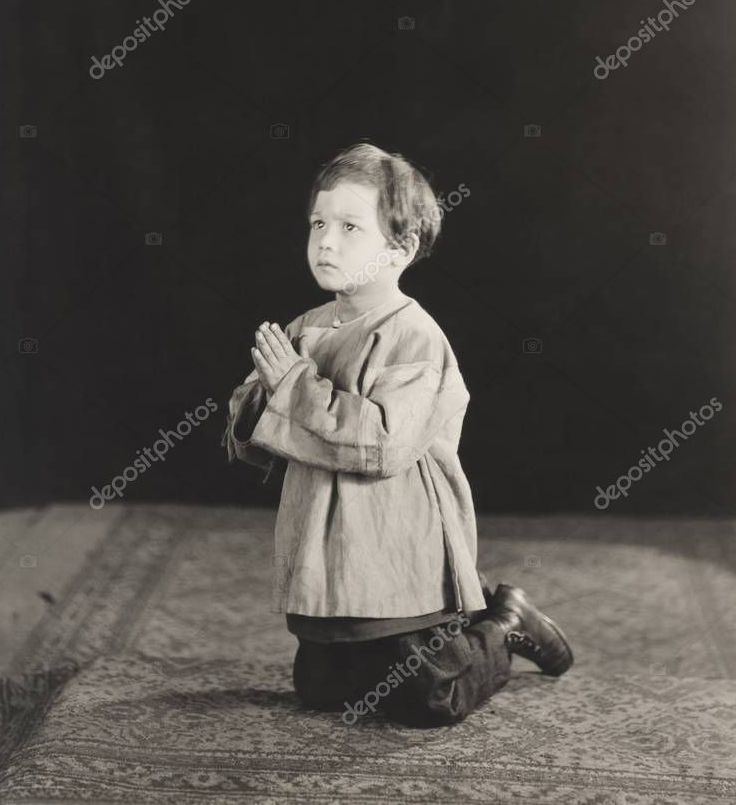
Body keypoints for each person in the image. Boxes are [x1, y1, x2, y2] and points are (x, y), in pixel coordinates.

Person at [223, 141, 573, 727]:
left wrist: (294, 388)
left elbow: (381, 445)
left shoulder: (414, 338)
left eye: (350, 227)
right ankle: (403, 642)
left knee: (431, 697)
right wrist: (259, 397)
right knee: (321, 689)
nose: (326, 241)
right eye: (318, 223)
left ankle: (504, 622)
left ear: (401, 248)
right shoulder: (305, 327)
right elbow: (256, 428)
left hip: (394, 537)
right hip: (326, 544)